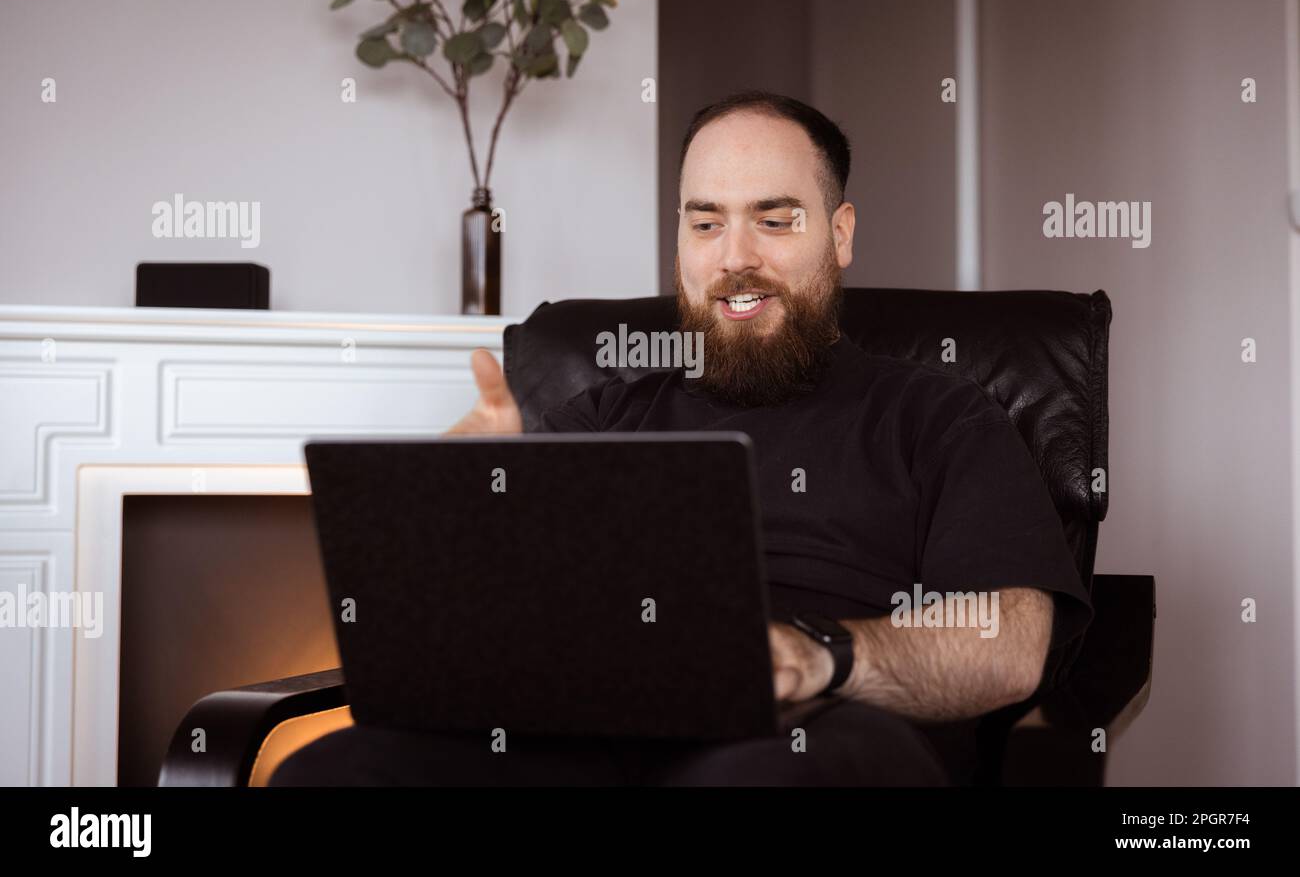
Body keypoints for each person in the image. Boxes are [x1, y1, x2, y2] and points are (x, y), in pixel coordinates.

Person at [273, 90, 1092, 787]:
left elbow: (1011, 642)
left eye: (774, 220)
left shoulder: (939, 417)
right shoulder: (600, 416)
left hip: (817, 731)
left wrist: (823, 656)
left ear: (839, 234)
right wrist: (455, 506)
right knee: (331, 770)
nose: (735, 258)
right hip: (589, 738)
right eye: (706, 225)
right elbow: (476, 638)